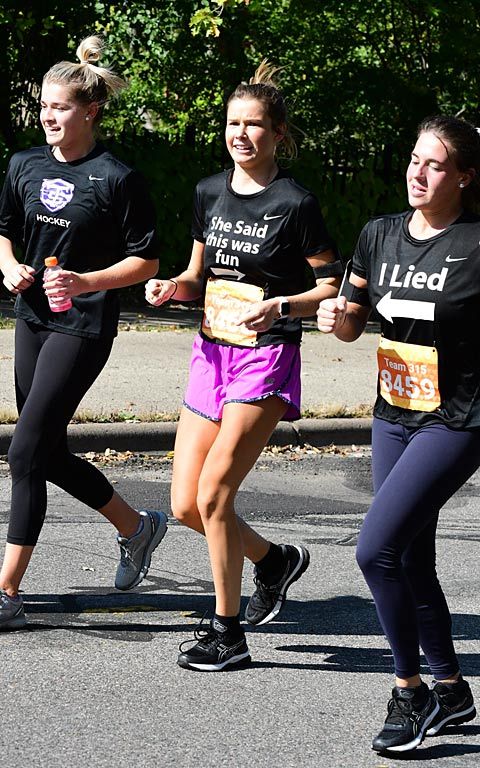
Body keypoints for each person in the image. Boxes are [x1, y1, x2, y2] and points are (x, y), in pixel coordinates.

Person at [146, 61, 342, 671]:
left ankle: (227, 631)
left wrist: (282, 303)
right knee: (185, 506)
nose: (241, 134)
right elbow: (196, 271)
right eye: (233, 123)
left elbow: (330, 288)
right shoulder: (209, 191)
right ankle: (274, 561)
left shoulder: (296, 202)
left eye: (254, 125)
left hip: (266, 357)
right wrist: (172, 287)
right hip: (211, 353)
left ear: (278, 133)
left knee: (214, 495)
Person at [317, 115, 479, 752]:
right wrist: (336, 316)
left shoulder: (474, 241)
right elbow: (355, 320)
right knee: (410, 556)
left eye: (435, 165)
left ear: (464, 176)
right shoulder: (380, 234)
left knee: (374, 551)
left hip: (458, 418)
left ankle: (409, 691)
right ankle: (451, 688)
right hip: (394, 413)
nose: (418, 172)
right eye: (414, 159)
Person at [0, 36, 168, 630]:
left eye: (61, 106)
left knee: (23, 450)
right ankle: (136, 526)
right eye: (44, 106)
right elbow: (3, 232)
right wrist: (8, 265)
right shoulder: (23, 165)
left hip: (84, 323)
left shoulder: (117, 178)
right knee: (42, 451)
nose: (48, 116)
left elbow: (145, 261)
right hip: (32, 319)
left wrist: (86, 280)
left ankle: (8, 593)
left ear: (90, 110)